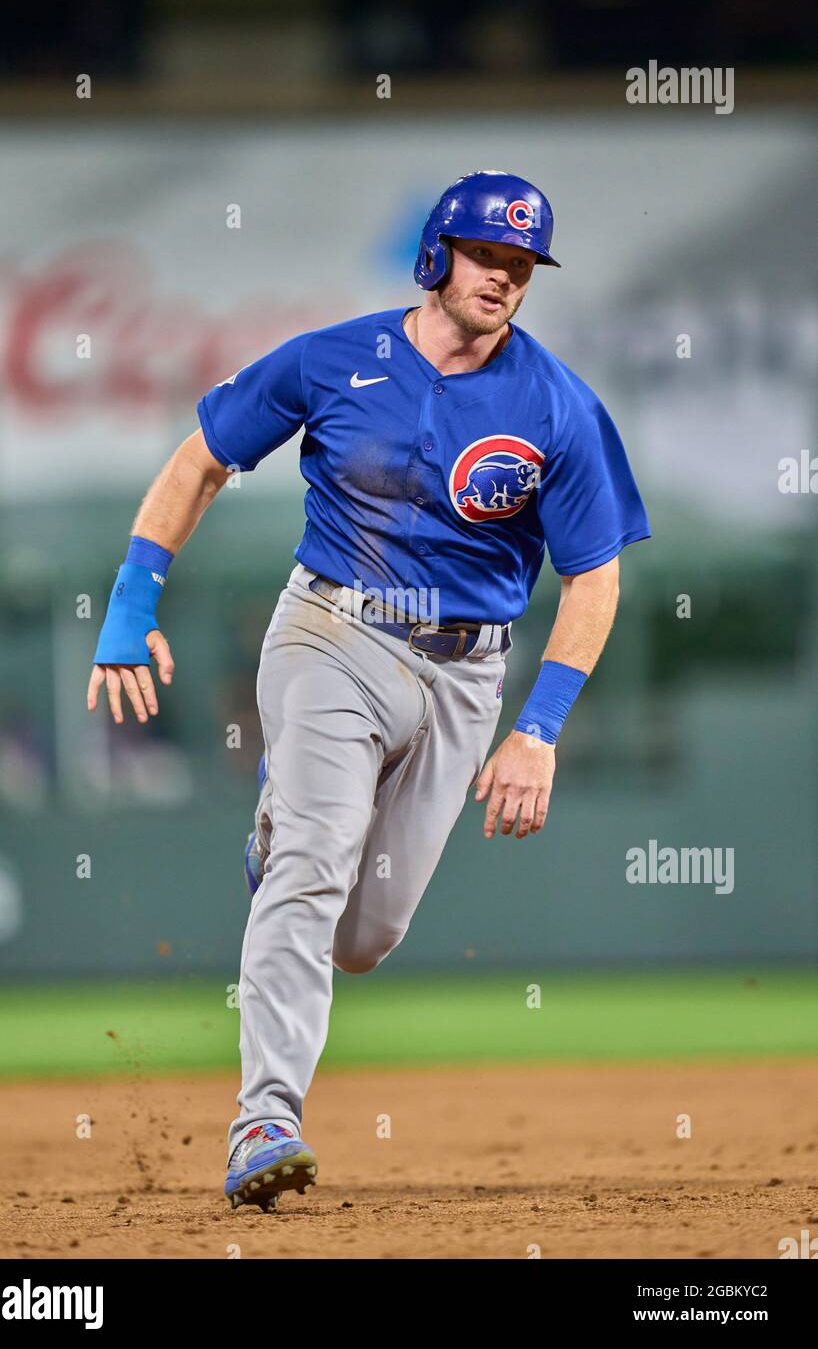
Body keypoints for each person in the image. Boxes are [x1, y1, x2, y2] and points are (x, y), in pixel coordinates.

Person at [87, 170, 651, 1213]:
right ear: (435, 256)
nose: (506, 278)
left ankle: (282, 842)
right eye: (489, 256)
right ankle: (265, 1114)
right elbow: (201, 458)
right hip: (329, 635)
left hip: (465, 675)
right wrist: (130, 604)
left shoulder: (557, 406)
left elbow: (596, 575)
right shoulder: (332, 359)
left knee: (365, 937)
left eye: (523, 265)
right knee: (311, 868)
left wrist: (538, 729)